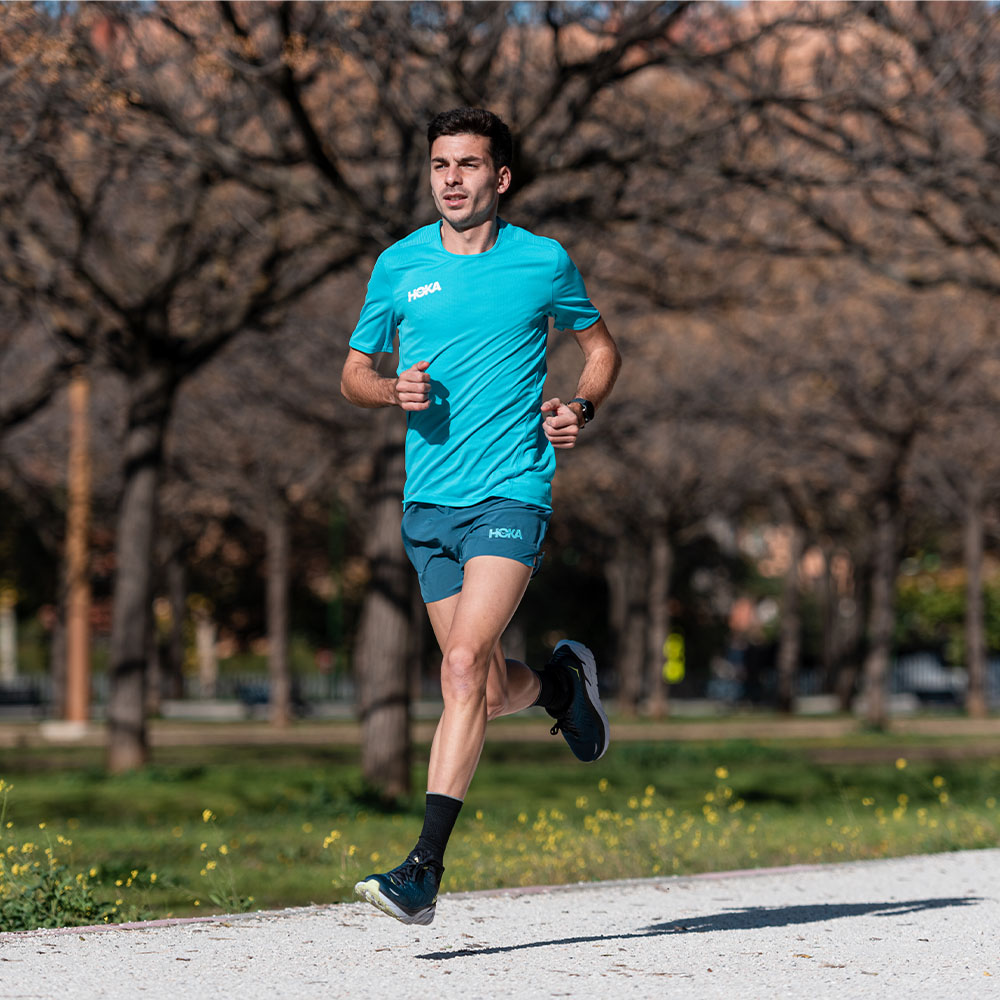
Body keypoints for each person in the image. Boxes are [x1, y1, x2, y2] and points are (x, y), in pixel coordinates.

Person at [341, 107, 621, 926]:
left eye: (468, 165)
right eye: (440, 165)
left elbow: (600, 349)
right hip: (429, 504)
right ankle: (561, 685)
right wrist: (391, 388)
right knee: (490, 684)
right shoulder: (399, 266)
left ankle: (423, 869)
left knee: (460, 668)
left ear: (500, 178)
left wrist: (580, 406)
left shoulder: (543, 261)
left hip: (512, 490)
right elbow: (354, 372)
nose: (452, 179)